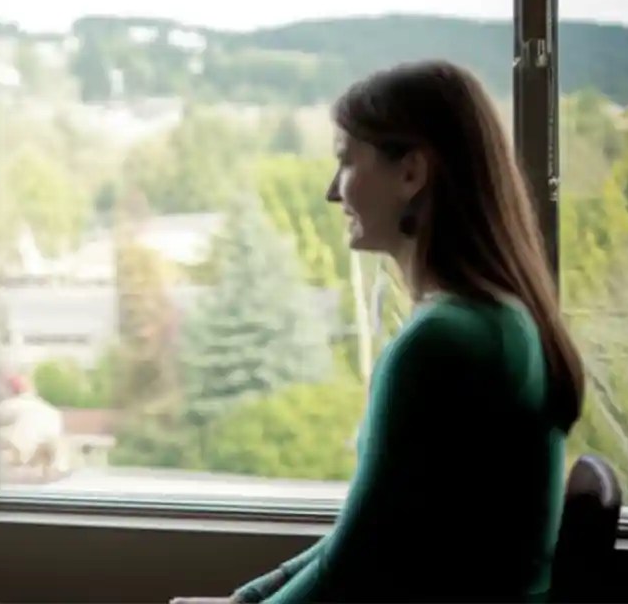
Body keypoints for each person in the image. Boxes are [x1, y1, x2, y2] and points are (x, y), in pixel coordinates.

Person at [173, 60, 585, 603]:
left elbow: (356, 568)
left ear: (411, 173)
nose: (332, 191)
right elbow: (359, 541)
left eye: (346, 160)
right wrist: (246, 601)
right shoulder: (498, 320)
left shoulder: (440, 344)